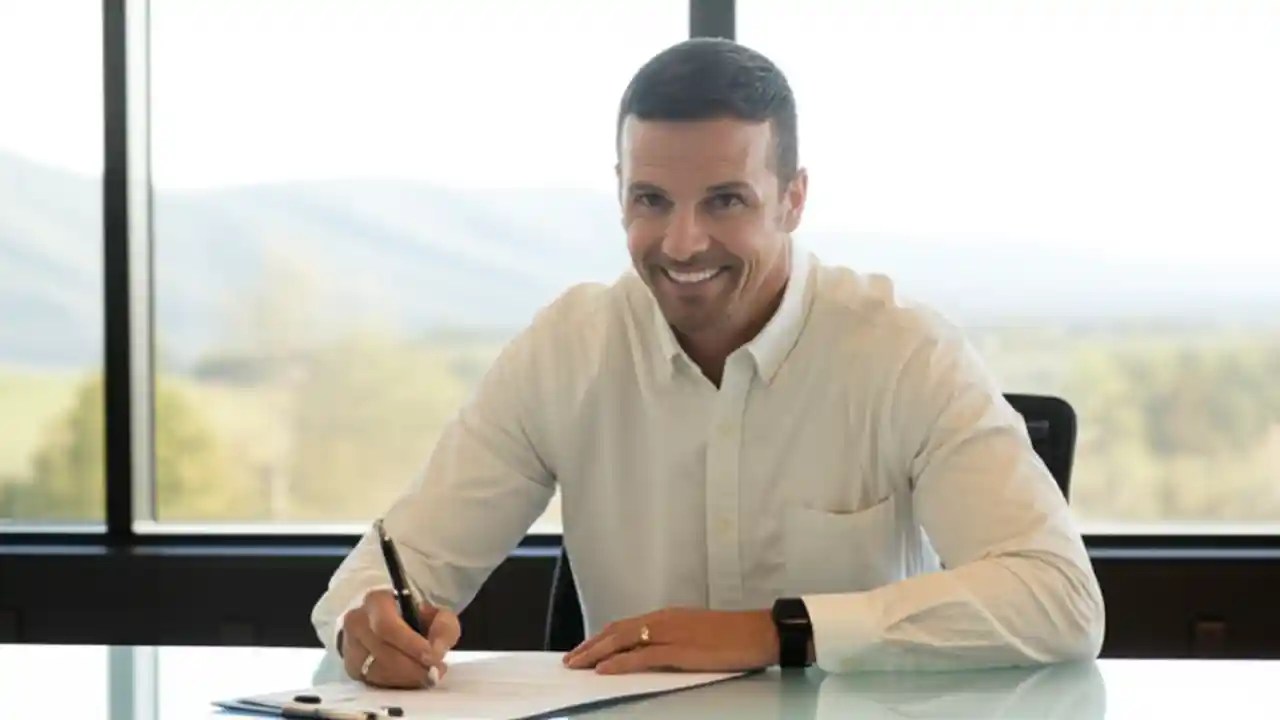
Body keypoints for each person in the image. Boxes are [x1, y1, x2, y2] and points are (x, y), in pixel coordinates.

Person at [311, 37, 1105, 688]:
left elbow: (1061, 599)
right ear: (620, 193)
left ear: (793, 198)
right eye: (651, 200)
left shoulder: (905, 353)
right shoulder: (564, 351)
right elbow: (381, 576)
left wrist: (777, 632)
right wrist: (368, 624)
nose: (682, 243)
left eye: (726, 200)